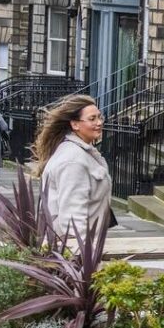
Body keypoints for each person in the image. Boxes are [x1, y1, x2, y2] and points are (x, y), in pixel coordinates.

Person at [33, 94, 112, 242]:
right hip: (73, 251)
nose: (99, 122)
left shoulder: (80, 152)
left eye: (100, 117)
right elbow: (73, 220)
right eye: (92, 119)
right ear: (75, 124)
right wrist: (85, 257)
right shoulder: (73, 161)